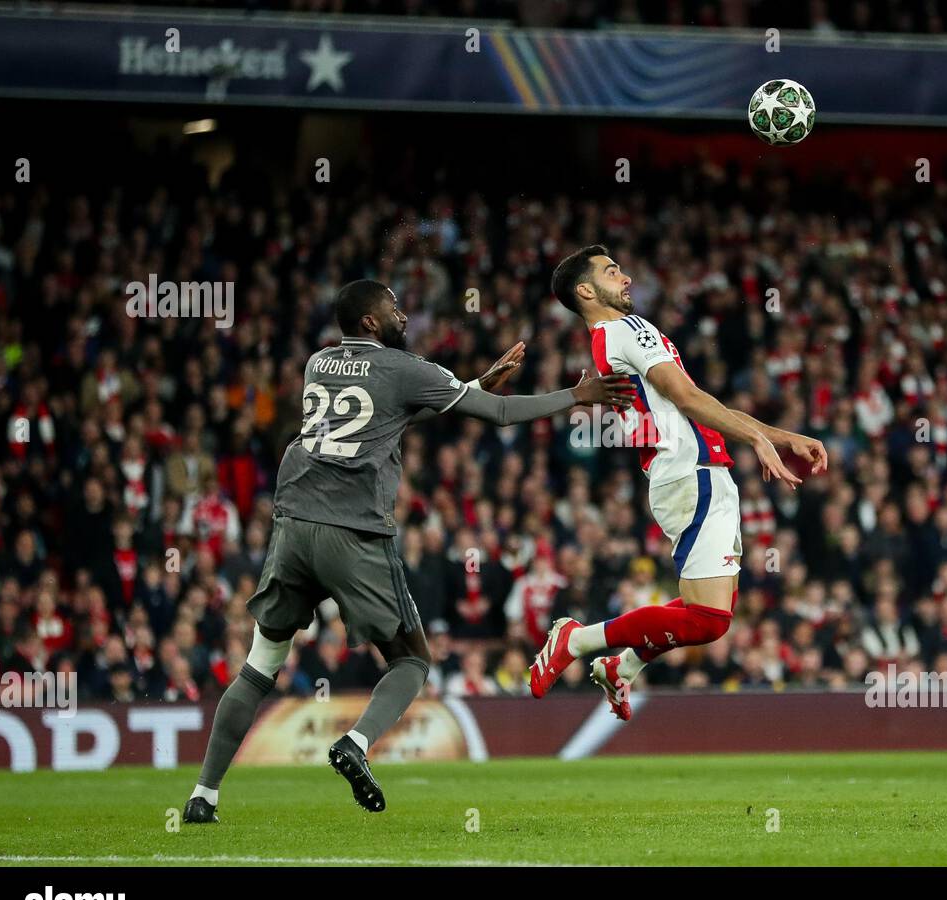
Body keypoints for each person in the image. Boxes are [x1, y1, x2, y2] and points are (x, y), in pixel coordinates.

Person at [183, 278, 633, 822]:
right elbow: (499, 414)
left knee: (259, 667)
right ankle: (355, 743)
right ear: (371, 321)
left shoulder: (318, 365)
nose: (402, 312)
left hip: (292, 524)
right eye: (392, 306)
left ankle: (203, 796)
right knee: (414, 659)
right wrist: (575, 397)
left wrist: (472, 383)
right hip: (353, 531)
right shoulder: (405, 367)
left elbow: (387, 416)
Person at [527, 246, 826, 719]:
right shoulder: (628, 329)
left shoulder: (613, 338)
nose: (626, 277)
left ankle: (622, 666)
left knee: (711, 603)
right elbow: (687, 397)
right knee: (709, 620)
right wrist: (756, 440)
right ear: (586, 291)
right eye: (612, 271)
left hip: (696, 472)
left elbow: (699, 402)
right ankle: (579, 638)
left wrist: (778, 437)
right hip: (692, 474)